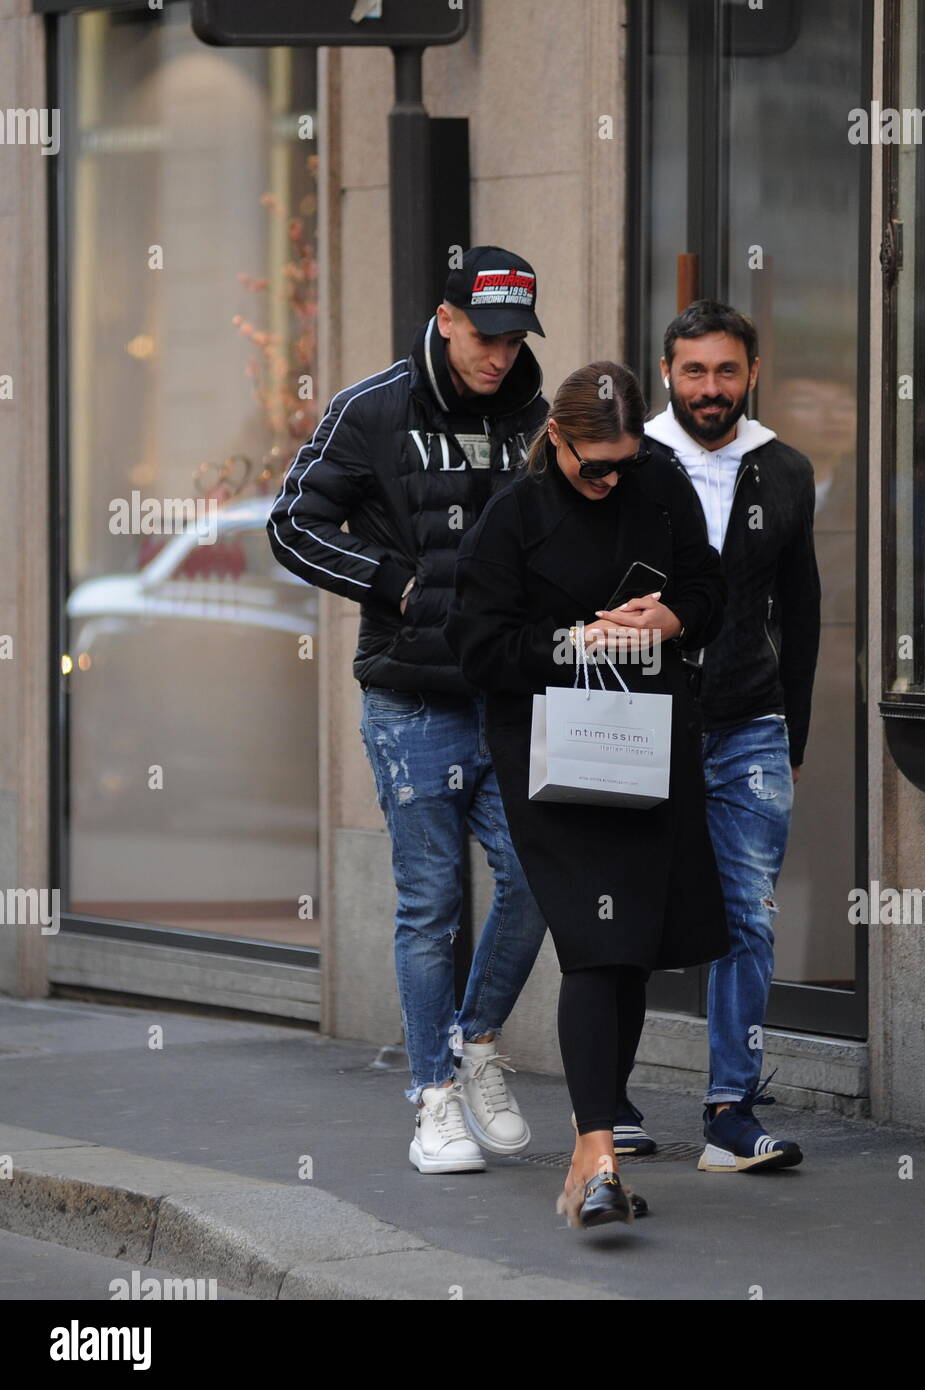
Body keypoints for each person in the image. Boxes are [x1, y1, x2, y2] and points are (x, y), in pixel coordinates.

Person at [267, 247, 552, 1174]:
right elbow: (290, 524)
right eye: (485, 336)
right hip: (411, 702)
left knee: (538, 878)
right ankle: (431, 1098)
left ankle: (474, 1045)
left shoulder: (533, 418)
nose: (500, 357)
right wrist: (393, 585)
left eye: (515, 341)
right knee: (430, 905)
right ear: (443, 316)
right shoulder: (373, 407)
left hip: (507, 697)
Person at [445, 361, 729, 1228]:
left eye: (622, 461)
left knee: (632, 944)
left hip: (648, 743)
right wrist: (576, 641)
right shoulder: (515, 515)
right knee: (597, 942)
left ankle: (588, 1151)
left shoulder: (659, 486)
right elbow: (478, 648)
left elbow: (711, 589)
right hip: (552, 757)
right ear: (557, 440)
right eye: (592, 464)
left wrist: (671, 620)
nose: (608, 478)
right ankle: (598, 1148)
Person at [624, 299, 822, 1173]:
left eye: (727, 371)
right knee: (624, 909)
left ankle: (729, 1111)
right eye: (694, 370)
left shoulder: (782, 468)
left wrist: (792, 733)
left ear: (750, 374)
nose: (711, 387)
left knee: (747, 915)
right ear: (667, 373)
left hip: (749, 723)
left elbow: (803, 609)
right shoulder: (625, 460)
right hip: (639, 719)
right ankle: (608, 1101)